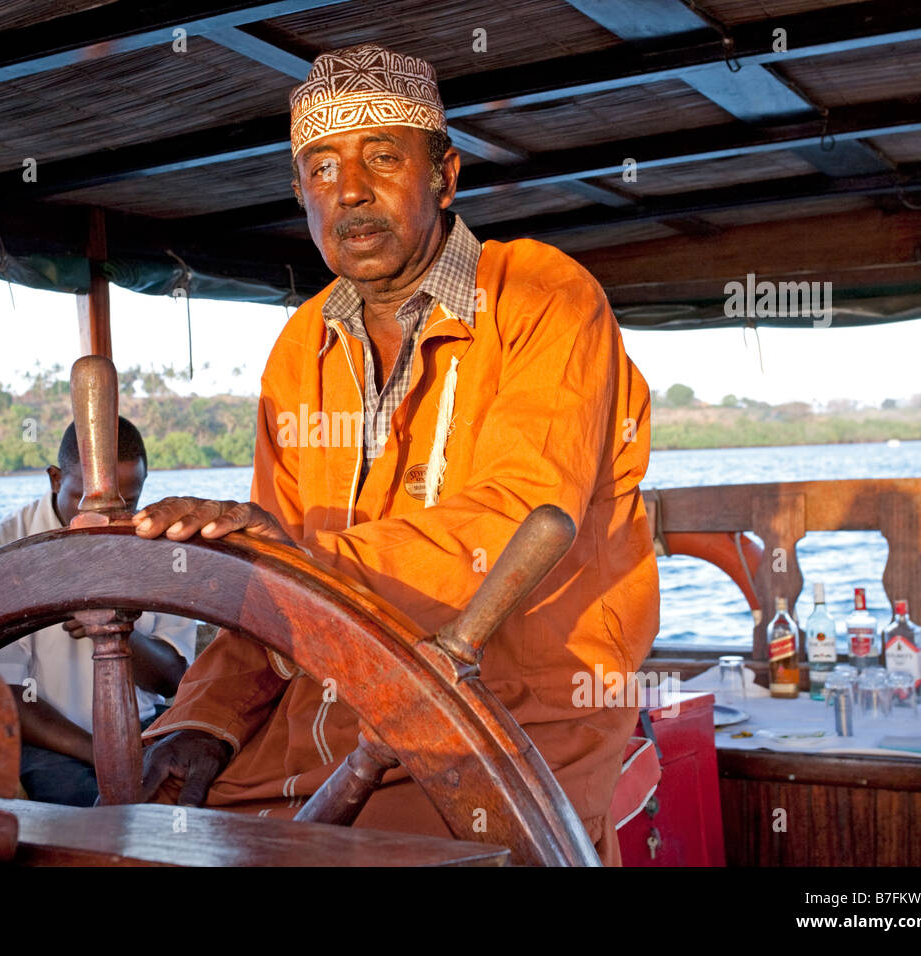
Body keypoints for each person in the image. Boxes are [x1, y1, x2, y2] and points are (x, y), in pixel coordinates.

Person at [133, 43, 659, 865]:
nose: (350, 190)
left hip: (499, 727)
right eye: (322, 168)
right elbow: (273, 574)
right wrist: (202, 719)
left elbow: (515, 519)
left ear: (445, 176)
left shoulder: (542, 296)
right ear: (301, 193)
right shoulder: (299, 344)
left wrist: (295, 566)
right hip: (319, 732)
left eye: (382, 158)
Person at [0, 419, 197, 807]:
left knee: (197, 801)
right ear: (55, 479)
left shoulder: (161, 549)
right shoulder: (1, 547)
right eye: (86, 501)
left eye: (128, 502)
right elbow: (2, 693)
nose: (108, 519)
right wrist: (108, 755)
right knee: (86, 810)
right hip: (48, 744)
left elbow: (176, 679)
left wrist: (117, 630)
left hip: (144, 733)